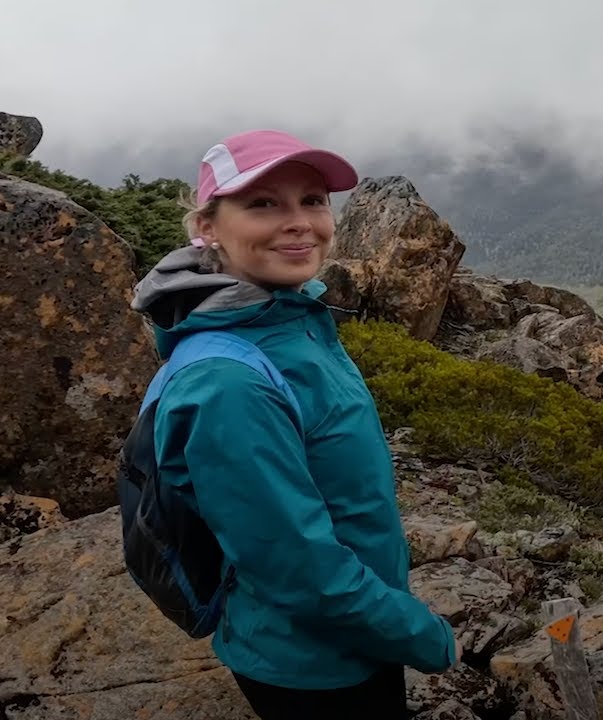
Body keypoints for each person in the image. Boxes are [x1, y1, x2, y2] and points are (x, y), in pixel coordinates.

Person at [129, 129, 457, 719]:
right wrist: (420, 634)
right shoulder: (229, 383)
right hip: (315, 665)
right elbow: (297, 567)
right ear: (207, 226)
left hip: (348, 636)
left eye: (312, 200)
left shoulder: (289, 317)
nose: (301, 221)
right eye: (263, 203)